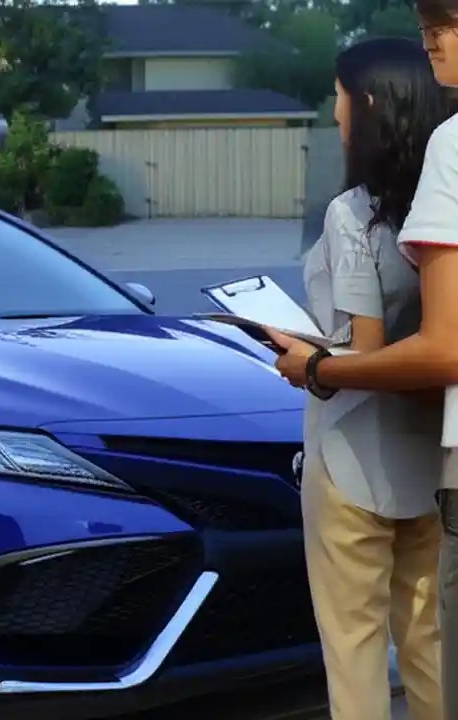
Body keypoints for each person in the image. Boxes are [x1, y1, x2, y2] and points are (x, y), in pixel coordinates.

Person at [266, 6, 458, 716]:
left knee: (352, 651)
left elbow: (364, 348)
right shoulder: (438, 203)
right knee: (433, 645)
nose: (334, 109)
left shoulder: (354, 214)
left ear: (369, 103)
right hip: (433, 457)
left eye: (340, 94)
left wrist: (301, 357)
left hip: (352, 457)